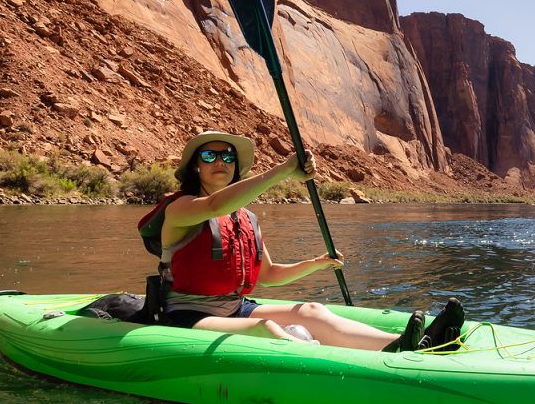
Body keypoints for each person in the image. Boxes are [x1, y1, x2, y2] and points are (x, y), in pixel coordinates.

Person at [158, 130, 464, 351]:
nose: (220, 161)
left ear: (236, 166)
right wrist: (285, 171)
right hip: (189, 316)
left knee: (312, 311)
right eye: (209, 155)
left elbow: (269, 274)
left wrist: (317, 264)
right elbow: (214, 206)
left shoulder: (246, 218)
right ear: (196, 165)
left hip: (235, 307)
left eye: (227, 156)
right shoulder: (179, 209)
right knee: (265, 329)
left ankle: (411, 347)